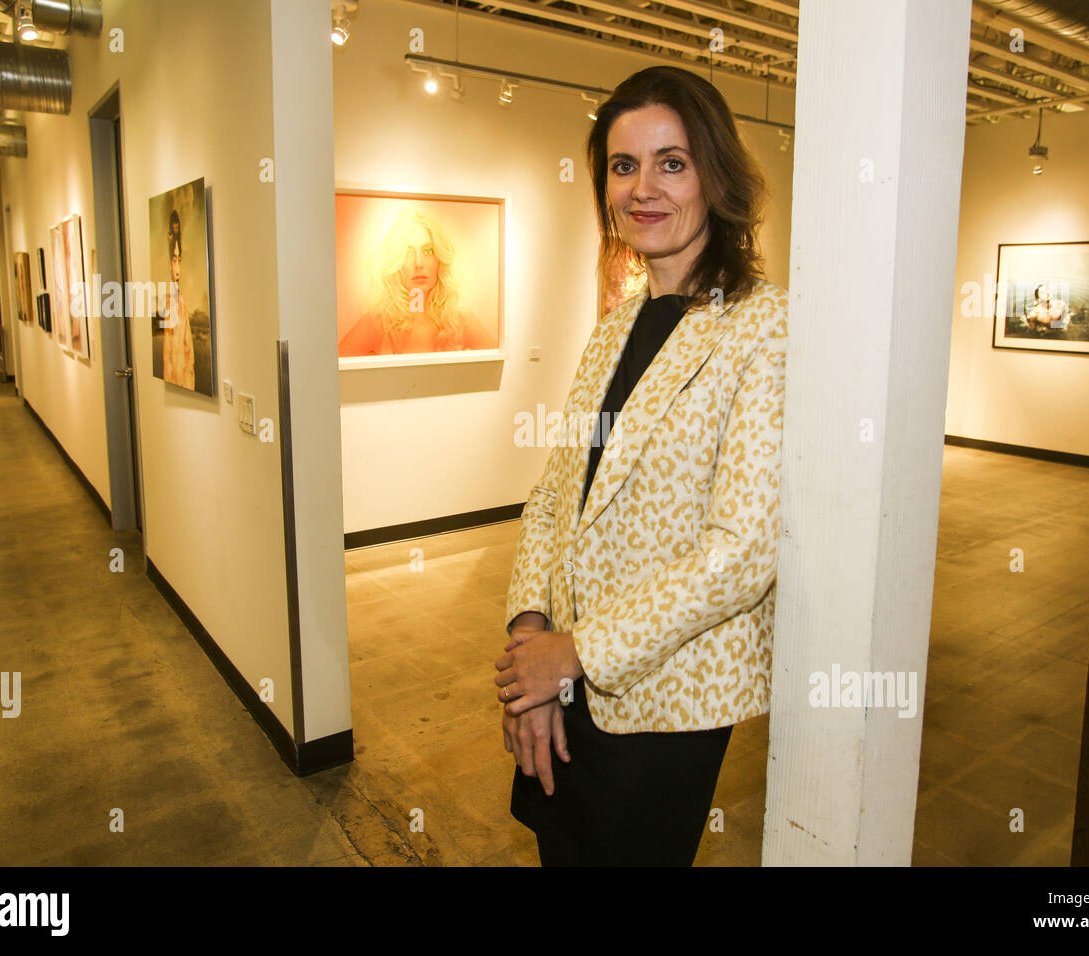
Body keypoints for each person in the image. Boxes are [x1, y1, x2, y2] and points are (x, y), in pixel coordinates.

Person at [495, 65, 789, 866]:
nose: (643, 189)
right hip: (565, 677)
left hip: (668, 698)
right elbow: (556, 496)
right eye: (624, 166)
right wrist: (533, 648)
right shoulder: (616, 325)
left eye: (672, 161)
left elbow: (745, 550)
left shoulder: (765, 327)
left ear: (715, 176)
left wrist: (578, 652)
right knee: (562, 848)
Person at [338, 209, 495, 355]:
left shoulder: (460, 321)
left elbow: (501, 368)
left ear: (440, 258)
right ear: (396, 262)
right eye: (408, 252)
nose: (419, 263)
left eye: (428, 251)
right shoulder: (378, 323)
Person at [160, 210, 195, 389]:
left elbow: (189, 356)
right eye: (174, 261)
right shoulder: (169, 305)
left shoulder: (182, 305)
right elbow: (168, 357)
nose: (178, 269)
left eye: (179, 260)